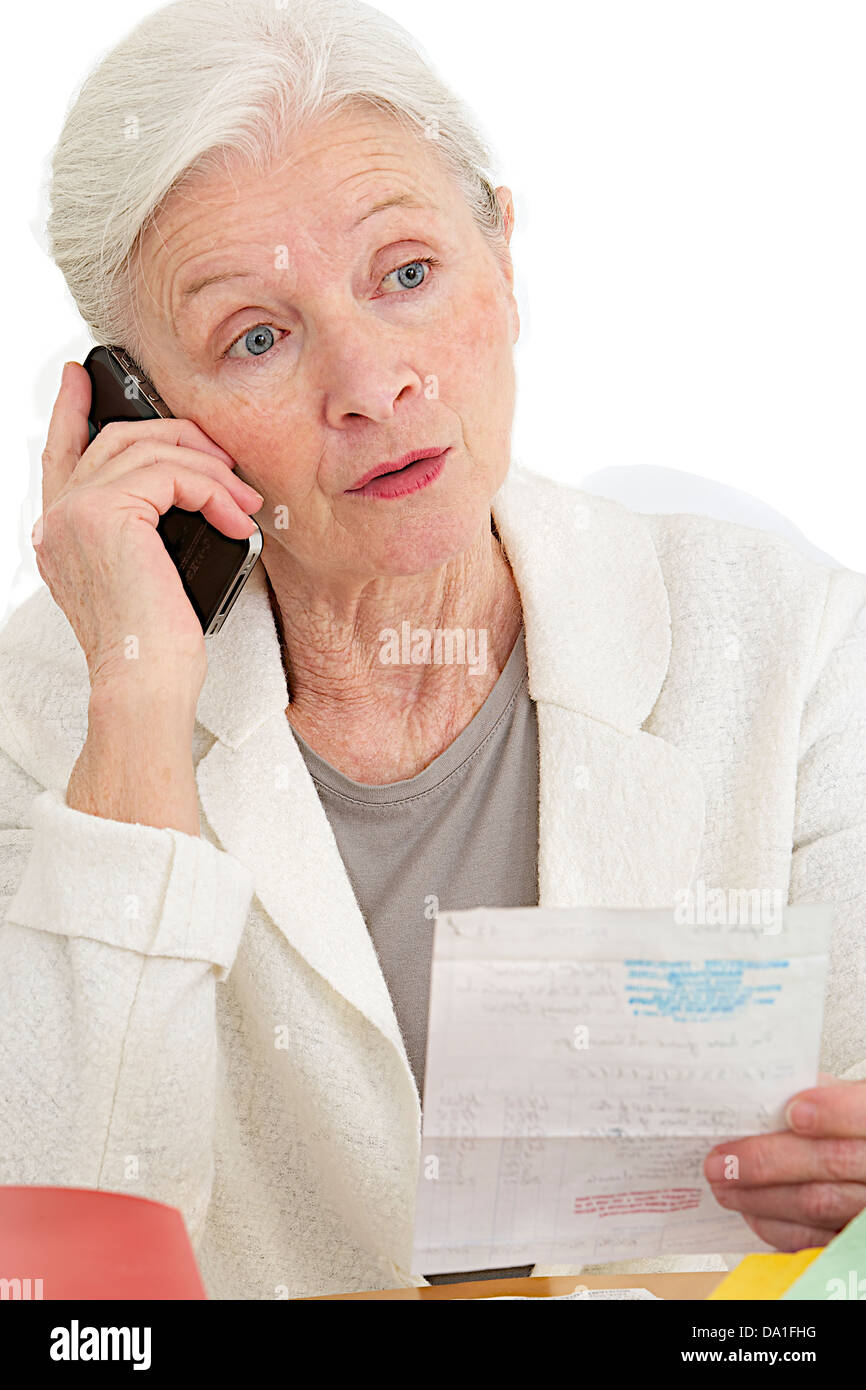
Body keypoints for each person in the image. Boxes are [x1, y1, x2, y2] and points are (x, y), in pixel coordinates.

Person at [1, 0, 865, 1299]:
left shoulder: (780, 634)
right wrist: (133, 699)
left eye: (405, 273)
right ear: (148, 411)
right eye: (256, 335)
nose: (369, 380)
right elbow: (68, 1266)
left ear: (502, 260)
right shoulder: (45, 714)